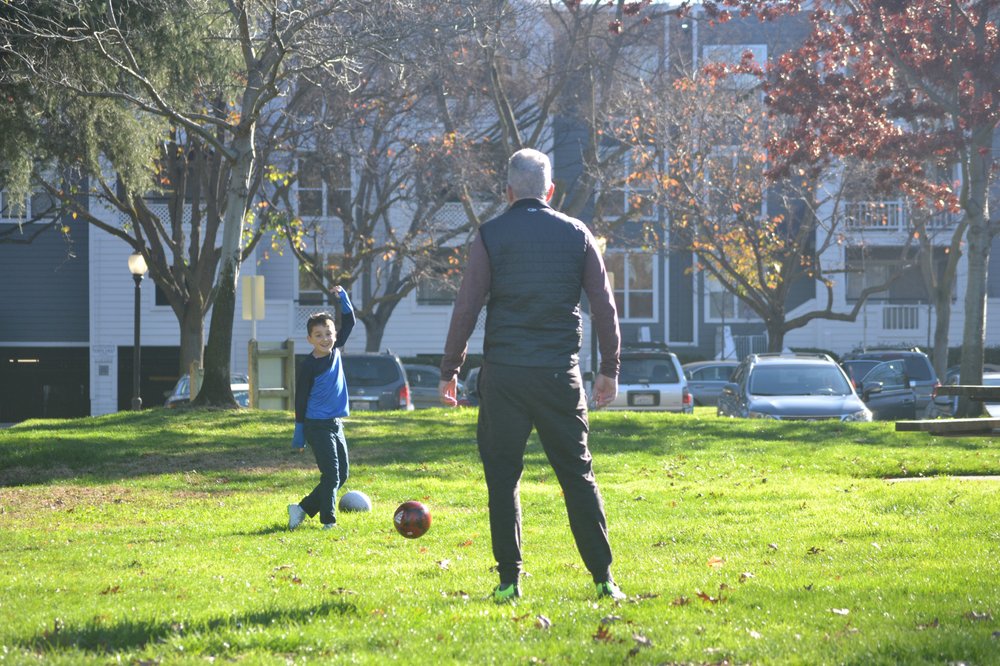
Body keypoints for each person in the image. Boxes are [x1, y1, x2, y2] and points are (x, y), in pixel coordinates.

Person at [438, 148, 625, 602]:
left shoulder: (489, 235)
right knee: (577, 476)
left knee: (503, 480)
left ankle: (509, 581)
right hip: (559, 376)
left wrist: (450, 370)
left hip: (504, 378)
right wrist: (609, 370)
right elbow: (604, 307)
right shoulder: (578, 234)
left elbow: (467, 306)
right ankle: (604, 579)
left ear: (508, 191)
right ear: (551, 190)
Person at [287, 286, 356, 531]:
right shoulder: (308, 366)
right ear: (309, 339)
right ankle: (329, 521)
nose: (324, 339)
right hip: (316, 426)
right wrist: (299, 432)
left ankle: (302, 508)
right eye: (318, 335)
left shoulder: (335, 350)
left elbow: (350, 321)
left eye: (328, 333)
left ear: (335, 335)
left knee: (342, 474)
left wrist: (343, 299)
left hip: (335, 424)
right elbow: (300, 399)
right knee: (331, 474)